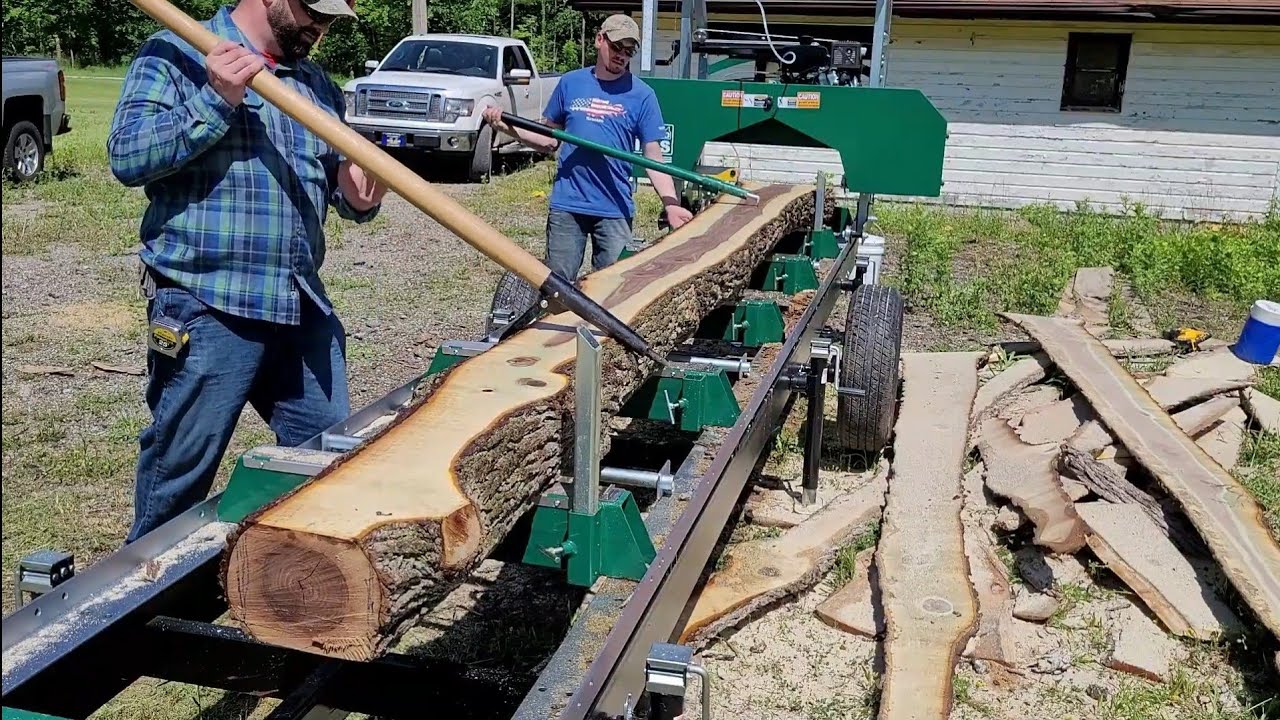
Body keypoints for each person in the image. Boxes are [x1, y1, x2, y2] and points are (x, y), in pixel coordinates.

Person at [107, 0, 388, 544]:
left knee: (330, 463)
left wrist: (357, 194)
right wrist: (215, 101)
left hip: (298, 300)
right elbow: (127, 156)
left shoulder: (314, 85)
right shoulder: (177, 53)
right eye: (314, 11)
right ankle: (140, 603)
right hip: (207, 303)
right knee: (179, 477)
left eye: (331, 19)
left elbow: (342, 190)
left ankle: (308, 591)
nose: (320, 27)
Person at [483, 14, 694, 283]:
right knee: (558, 289)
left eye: (629, 51)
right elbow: (548, 138)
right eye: (617, 47)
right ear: (599, 40)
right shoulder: (571, 83)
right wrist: (504, 126)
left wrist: (671, 205)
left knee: (612, 290)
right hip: (568, 205)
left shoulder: (642, 95)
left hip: (614, 209)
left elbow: (655, 159)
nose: (622, 56)